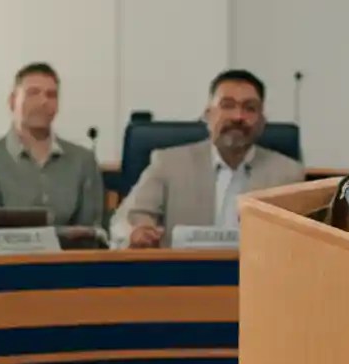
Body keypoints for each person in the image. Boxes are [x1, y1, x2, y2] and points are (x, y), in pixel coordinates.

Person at [111, 69, 305, 247]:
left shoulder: (287, 175)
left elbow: (300, 242)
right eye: (227, 106)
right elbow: (124, 221)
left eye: (250, 108)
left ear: (262, 121)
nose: (238, 116)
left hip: (258, 279)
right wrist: (136, 232)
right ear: (207, 115)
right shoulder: (168, 163)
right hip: (182, 277)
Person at [0, 63, 104, 229]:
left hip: (70, 254)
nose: (43, 101)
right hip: (8, 254)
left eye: (51, 95)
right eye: (33, 93)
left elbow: (90, 232)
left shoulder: (83, 161)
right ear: (13, 101)